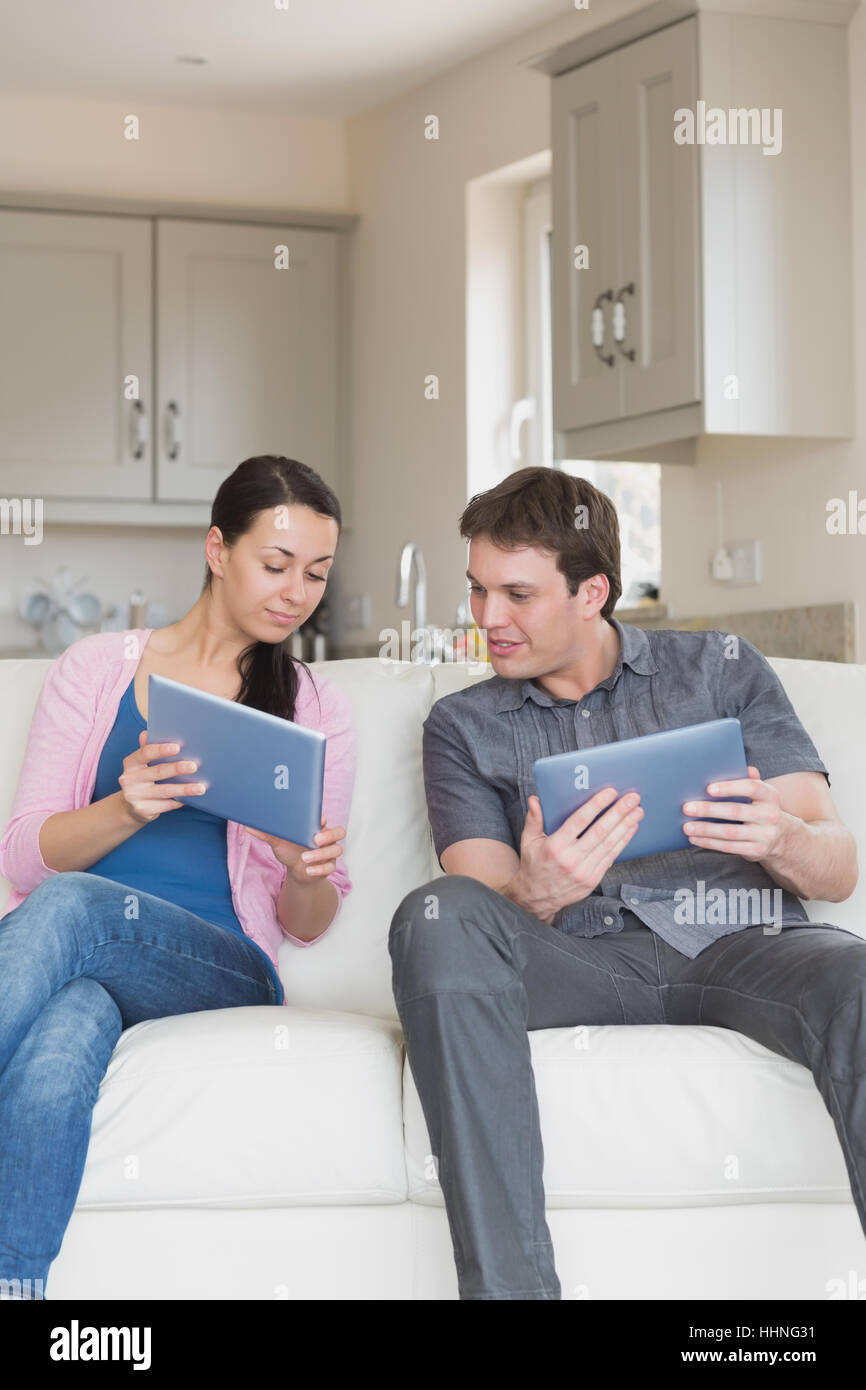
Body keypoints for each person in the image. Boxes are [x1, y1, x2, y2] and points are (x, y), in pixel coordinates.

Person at [389, 465, 864, 1302]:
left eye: (517, 594)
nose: (487, 618)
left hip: (742, 940)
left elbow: (839, 866)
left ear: (593, 593)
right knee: (433, 915)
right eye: (478, 590)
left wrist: (782, 837)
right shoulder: (462, 726)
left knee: (858, 977)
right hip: (579, 962)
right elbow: (476, 916)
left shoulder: (718, 670)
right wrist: (537, 890)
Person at [0, 455, 356, 1299]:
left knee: (75, 906)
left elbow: (308, 921)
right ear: (217, 549)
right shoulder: (94, 669)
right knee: (61, 1039)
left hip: (220, 964)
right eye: (276, 565)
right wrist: (126, 808)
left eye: (316, 574)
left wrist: (301, 867)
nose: (296, 593)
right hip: (86, 953)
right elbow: (20, 857)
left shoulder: (313, 706)